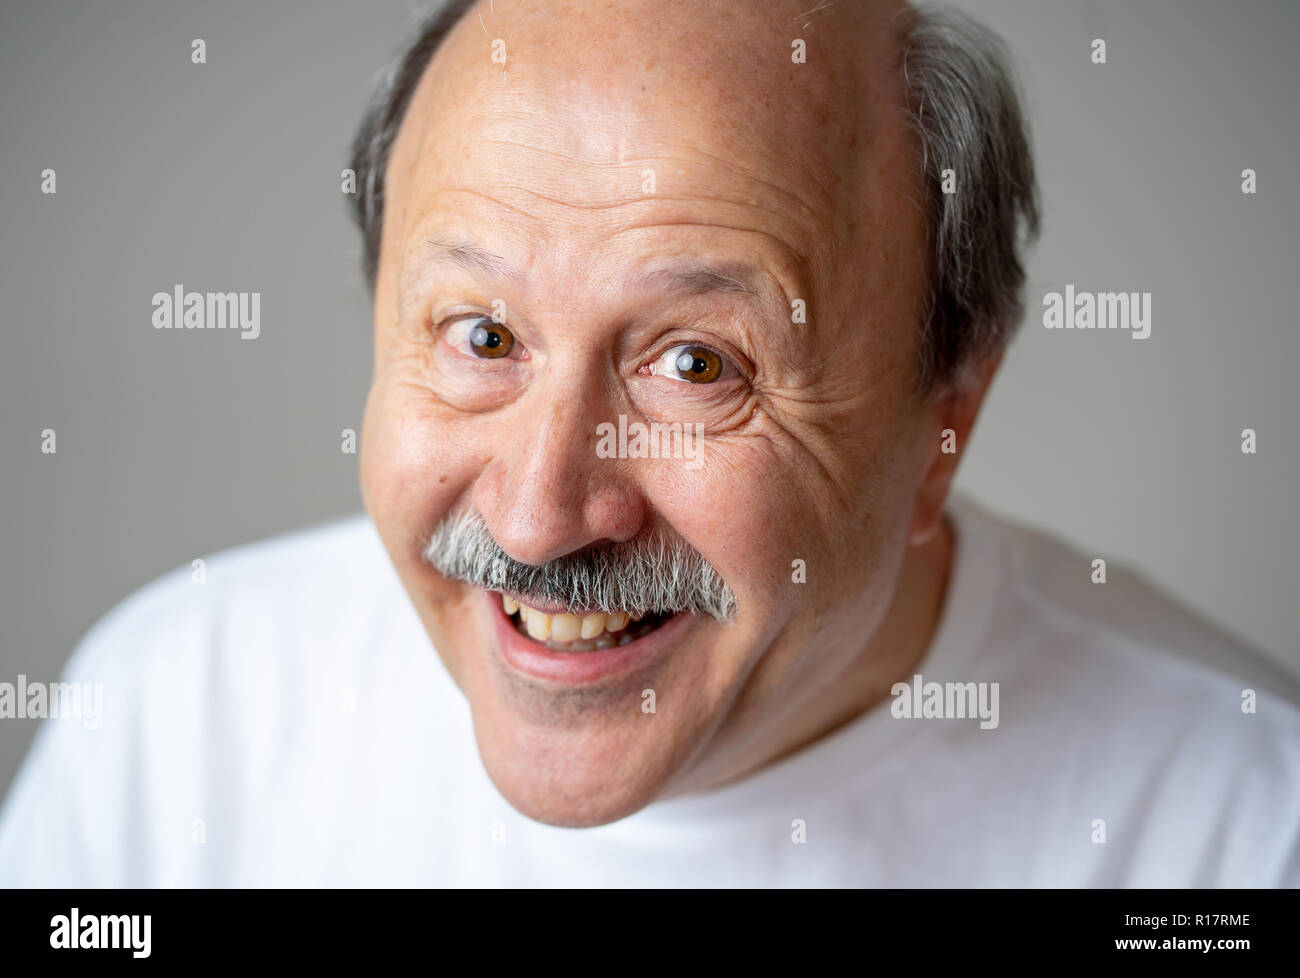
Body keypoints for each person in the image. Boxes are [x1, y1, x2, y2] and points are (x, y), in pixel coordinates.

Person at [3, 0, 1297, 886]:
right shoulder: (172, 720)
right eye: (482, 335)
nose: (535, 516)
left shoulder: (1237, 829)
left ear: (944, 417)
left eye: (696, 363)